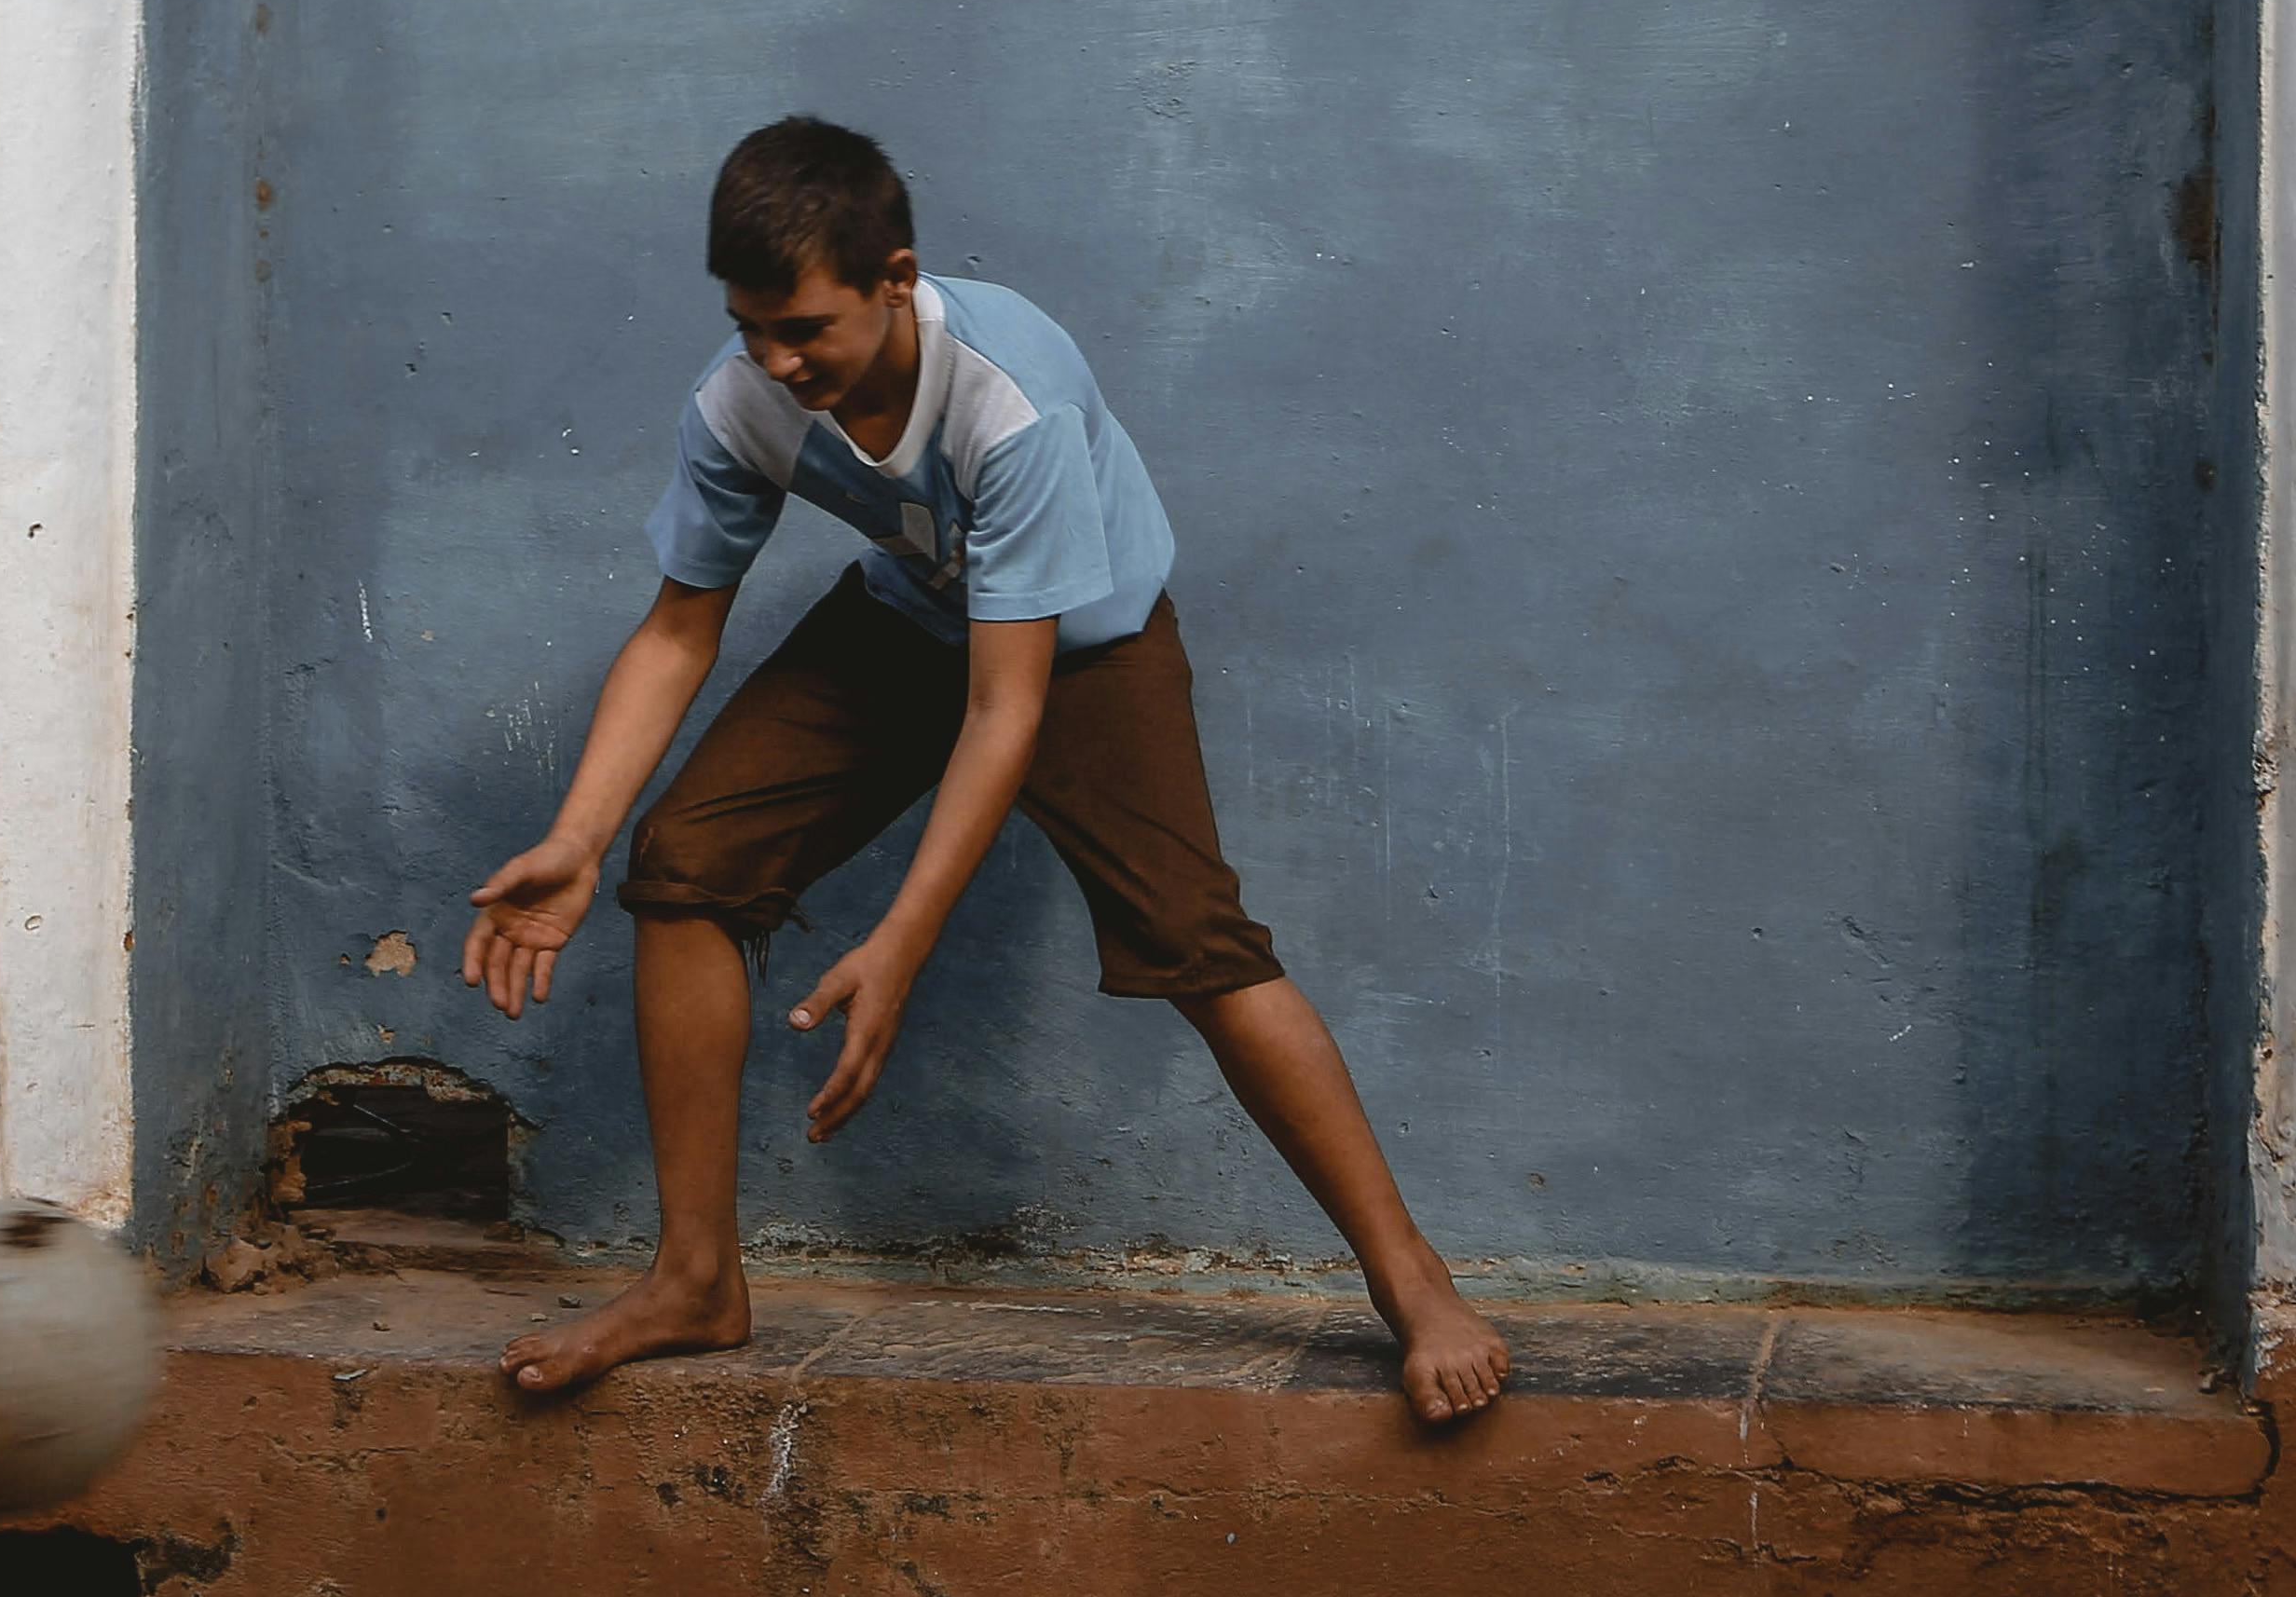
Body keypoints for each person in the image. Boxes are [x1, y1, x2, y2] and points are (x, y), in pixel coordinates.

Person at [459, 116, 1510, 1424]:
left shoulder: (1009, 394)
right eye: (750, 328)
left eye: (808, 331)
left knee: (1198, 938)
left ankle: (1412, 1281)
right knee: (683, 866)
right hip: (914, 619)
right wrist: (580, 834)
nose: (779, 362)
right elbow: (679, 629)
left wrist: (900, 940)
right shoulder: (744, 398)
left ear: (895, 280)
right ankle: (693, 1282)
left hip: (1077, 650)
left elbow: (1005, 711)